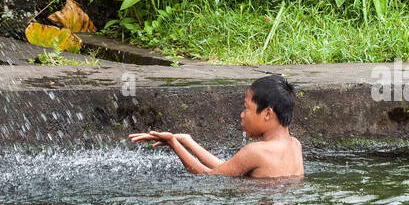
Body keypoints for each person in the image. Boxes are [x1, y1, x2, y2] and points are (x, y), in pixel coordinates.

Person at [130, 74, 304, 178]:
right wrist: (187, 142)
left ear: (267, 114)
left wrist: (173, 143)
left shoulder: (256, 151)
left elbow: (208, 177)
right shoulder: (295, 145)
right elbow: (225, 169)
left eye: (246, 108)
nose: (242, 114)